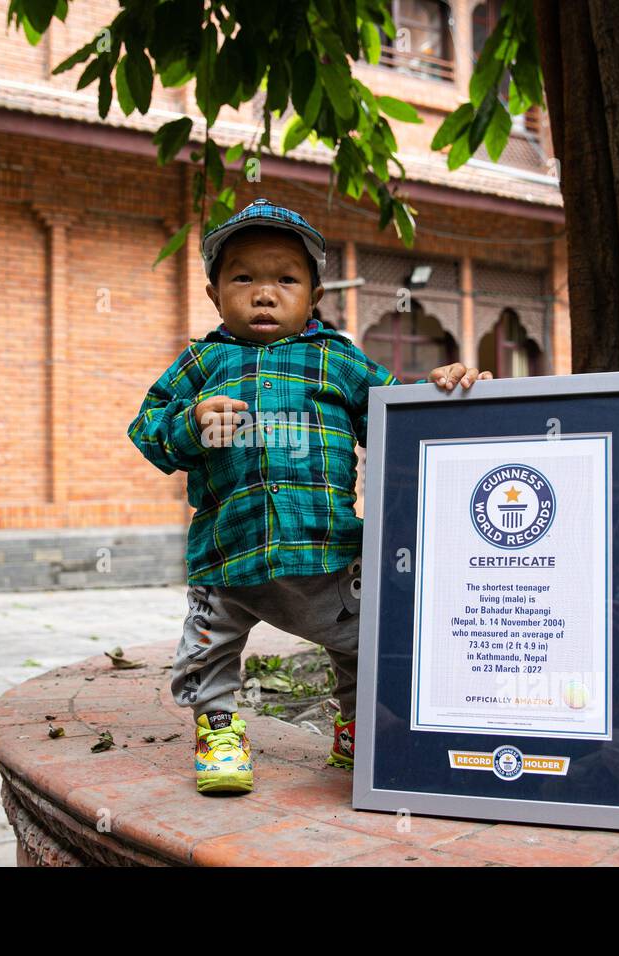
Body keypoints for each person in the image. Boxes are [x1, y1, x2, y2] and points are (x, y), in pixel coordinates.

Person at [127, 198, 491, 794]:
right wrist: (191, 422)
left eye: (285, 279)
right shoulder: (202, 361)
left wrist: (443, 389)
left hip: (326, 552)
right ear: (216, 294)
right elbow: (148, 432)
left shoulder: (337, 360)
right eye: (243, 277)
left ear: (315, 295)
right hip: (230, 553)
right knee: (207, 649)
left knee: (363, 644)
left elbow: (399, 417)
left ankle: (355, 728)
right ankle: (218, 728)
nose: (264, 293)